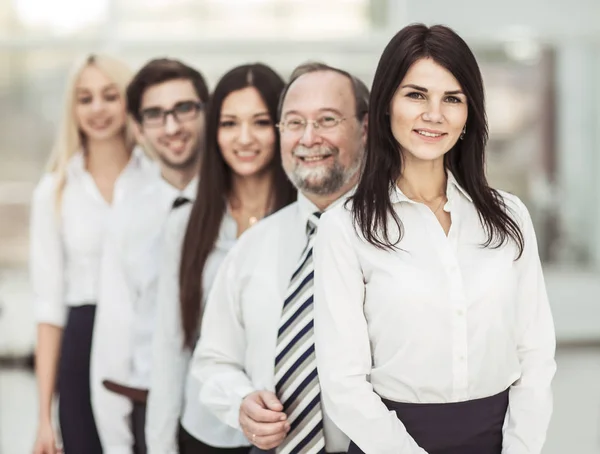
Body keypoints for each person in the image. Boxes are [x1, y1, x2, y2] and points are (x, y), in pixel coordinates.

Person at [313, 24, 557, 454]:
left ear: (469, 114)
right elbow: (343, 384)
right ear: (387, 104)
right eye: (416, 95)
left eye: (452, 99)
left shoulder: (509, 217)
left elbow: (535, 357)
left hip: (497, 441)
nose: (434, 114)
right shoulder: (344, 228)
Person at [191, 62, 369, 454]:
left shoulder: (402, 239)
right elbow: (213, 359)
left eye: (327, 119)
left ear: (365, 129)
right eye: (293, 123)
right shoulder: (251, 247)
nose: (309, 137)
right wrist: (240, 401)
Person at [146, 63, 297, 454]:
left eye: (260, 122)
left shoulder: (309, 221)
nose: (243, 138)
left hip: (290, 429)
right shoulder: (185, 223)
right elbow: (170, 344)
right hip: (204, 430)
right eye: (229, 123)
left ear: (283, 127)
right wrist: (160, 446)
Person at [30, 54, 152, 454]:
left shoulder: (156, 180)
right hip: (82, 340)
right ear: (73, 108)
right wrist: (44, 419)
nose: (97, 109)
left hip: (147, 339)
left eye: (109, 95)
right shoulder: (55, 191)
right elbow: (49, 310)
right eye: (85, 98)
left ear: (128, 102)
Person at [90, 58, 210, 454]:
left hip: (225, 413)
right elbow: (113, 338)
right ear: (138, 129)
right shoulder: (127, 217)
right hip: (147, 404)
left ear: (207, 113)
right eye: (155, 115)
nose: (172, 127)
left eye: (184, 109)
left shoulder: (240, 206)